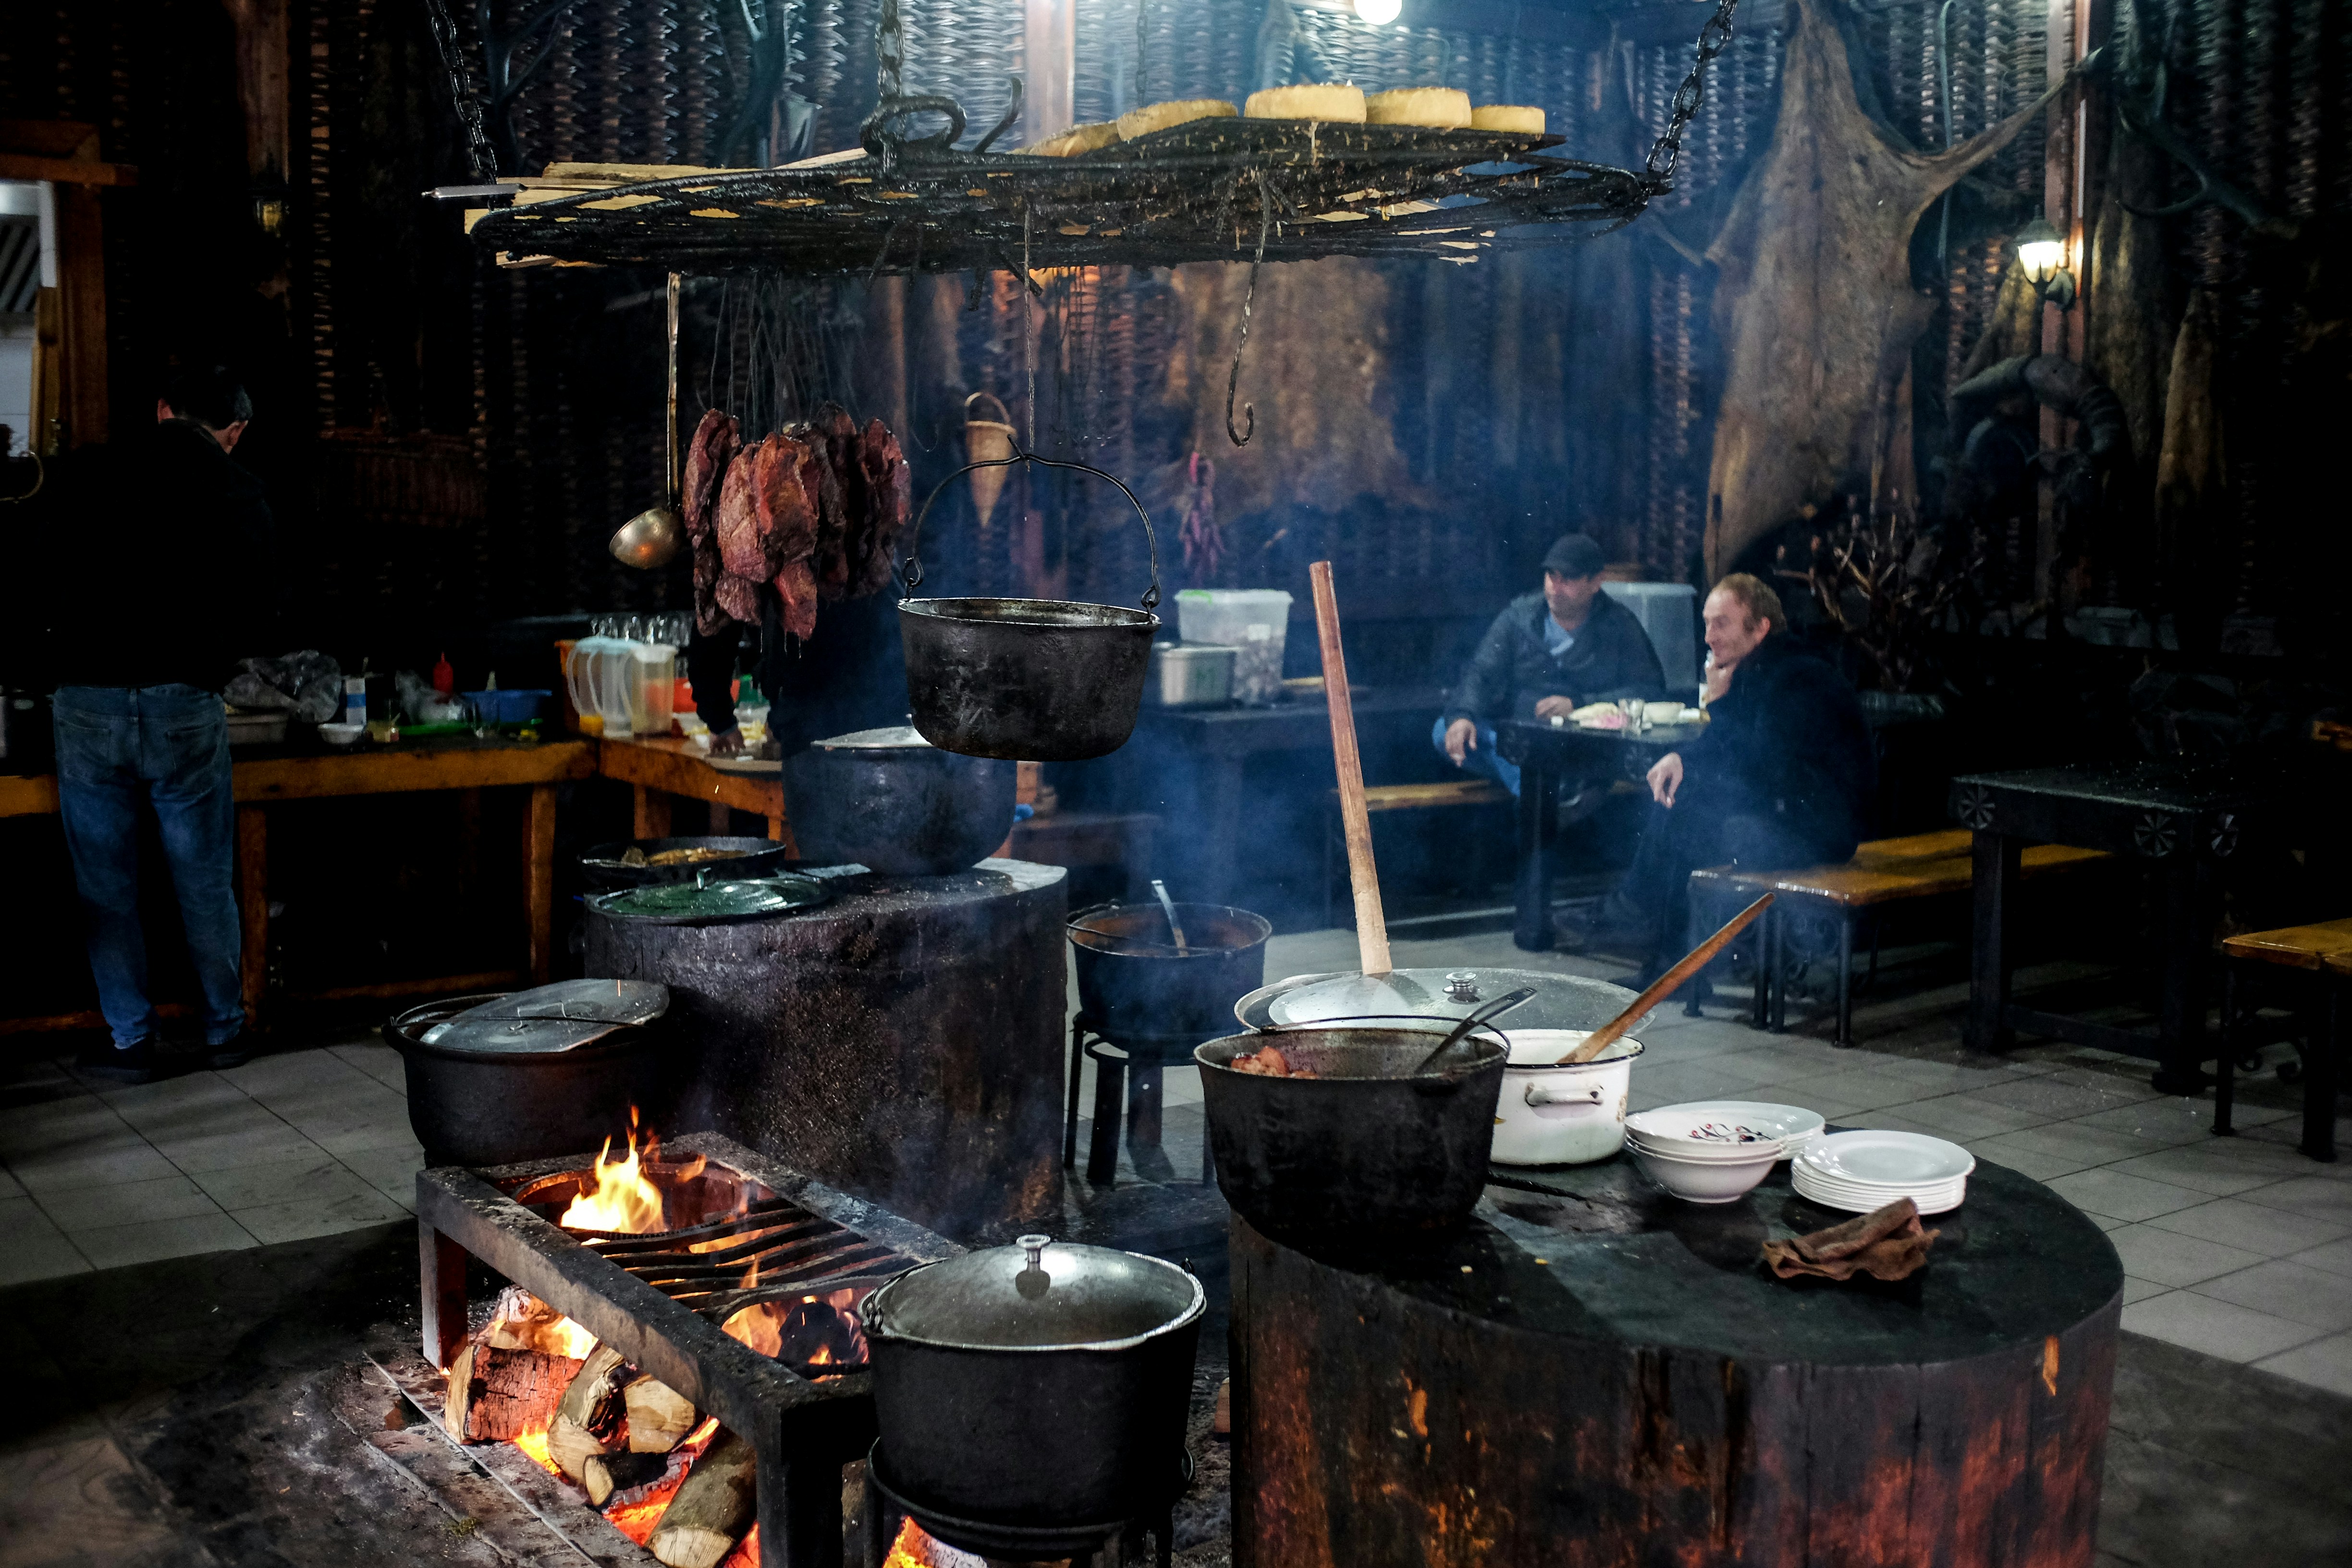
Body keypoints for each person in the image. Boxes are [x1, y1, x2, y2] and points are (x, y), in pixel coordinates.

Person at [47, 367, 274, 1082]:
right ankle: (223, 1028)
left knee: (106, 882)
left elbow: (39, 573)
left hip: (88, 697)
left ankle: (129, 1040)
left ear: (163, 410)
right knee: (203, 876)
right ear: (233, 431)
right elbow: (262, 606)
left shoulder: (87, 473)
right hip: (185, 700)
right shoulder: (239, 489)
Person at [1596, 573, 1875, 986]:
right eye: (1706, 623)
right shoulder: (1753, 671)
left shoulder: (1798, 677)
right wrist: (1681, 759)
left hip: (1821, 831)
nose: (1709, 636)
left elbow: (1767, 768)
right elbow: (1725, 749)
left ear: (1761, 627)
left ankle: (1648, 932)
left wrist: (1721, 705)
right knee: (1682, 801)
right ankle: (1662, 950)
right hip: (1785, 815)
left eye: (1721, 623)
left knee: (1688, 818)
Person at [1433, 533, 1667, 796]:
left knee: (1530, 764)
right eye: (1551, 576)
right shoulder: (1519, 618)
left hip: (1582, 745)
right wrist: (1463, 715)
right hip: (1520, 736)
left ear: (1596, 583)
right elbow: (1482, 673)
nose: (1555, 587)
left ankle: (1536, 792)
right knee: (1445, 730)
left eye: (1567, 579)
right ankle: (1544, 792)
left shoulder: (1620, 626)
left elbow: (1649, 690)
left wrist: (1579, 704)